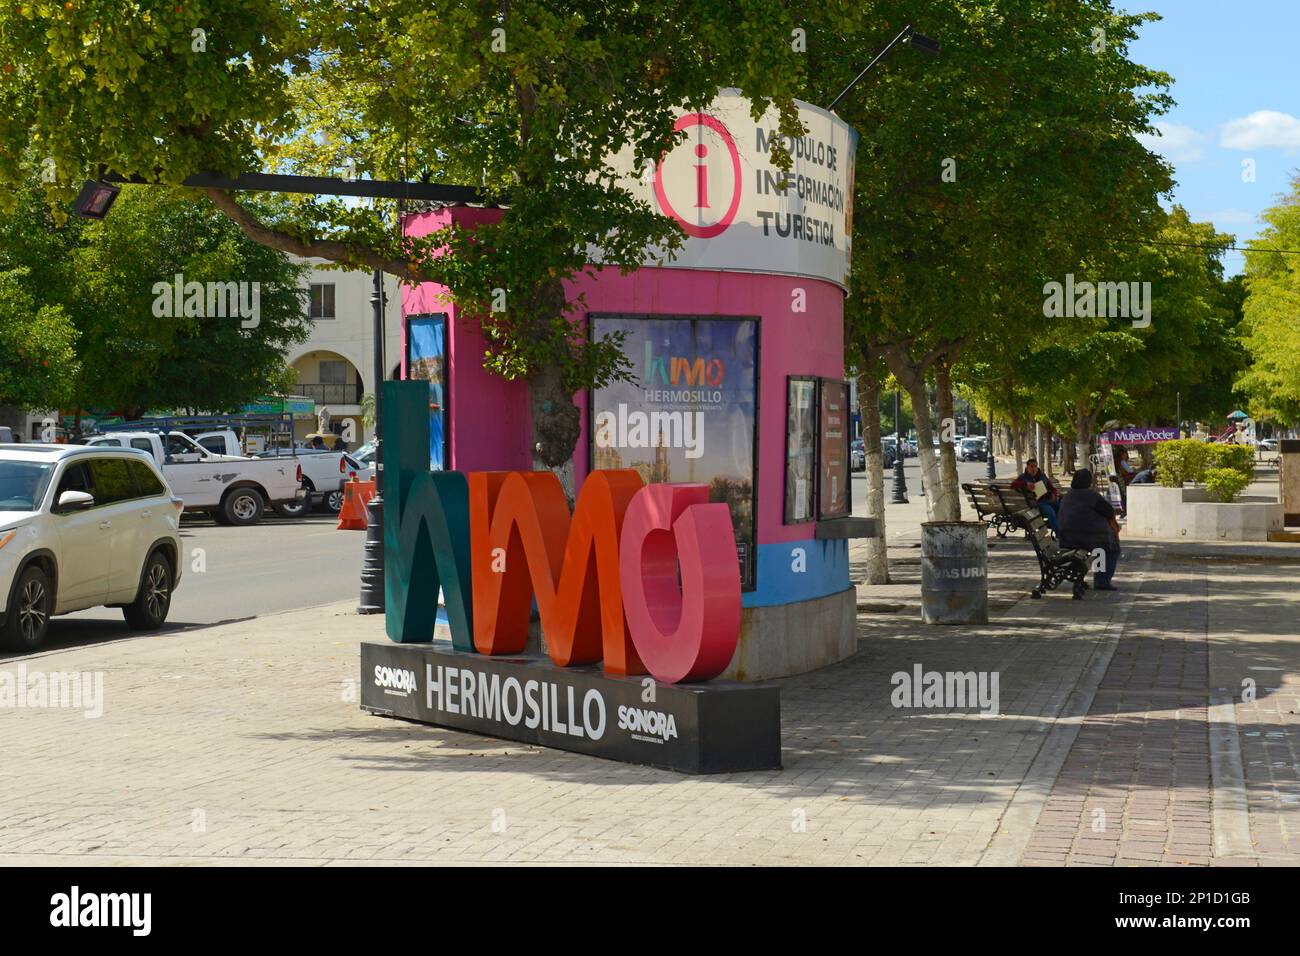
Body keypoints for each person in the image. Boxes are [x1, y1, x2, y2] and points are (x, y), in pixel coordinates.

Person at [1058, 468, 1122, 591]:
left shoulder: (1068, 495)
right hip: (1086, 537)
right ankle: (1101, 581)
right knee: (1109, 548)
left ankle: (1093, 579)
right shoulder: (1090, 495)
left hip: (1067, 537)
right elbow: (1108, 511)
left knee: (1100, 546)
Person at [1011, 458, 1061, 532]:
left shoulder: (1042, 476)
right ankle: (1059, 533)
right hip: (1038, 503)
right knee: (1050, 512)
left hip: (1049, 499)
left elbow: (1052, 488)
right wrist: (1026, 484)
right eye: (1031, 466)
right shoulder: (1023, 477)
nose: (1033, 468)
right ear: (1027, 468)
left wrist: (1054, 494)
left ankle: (1064, 530)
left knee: (1062, 509)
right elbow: (1013, 485)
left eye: (1035, 466)